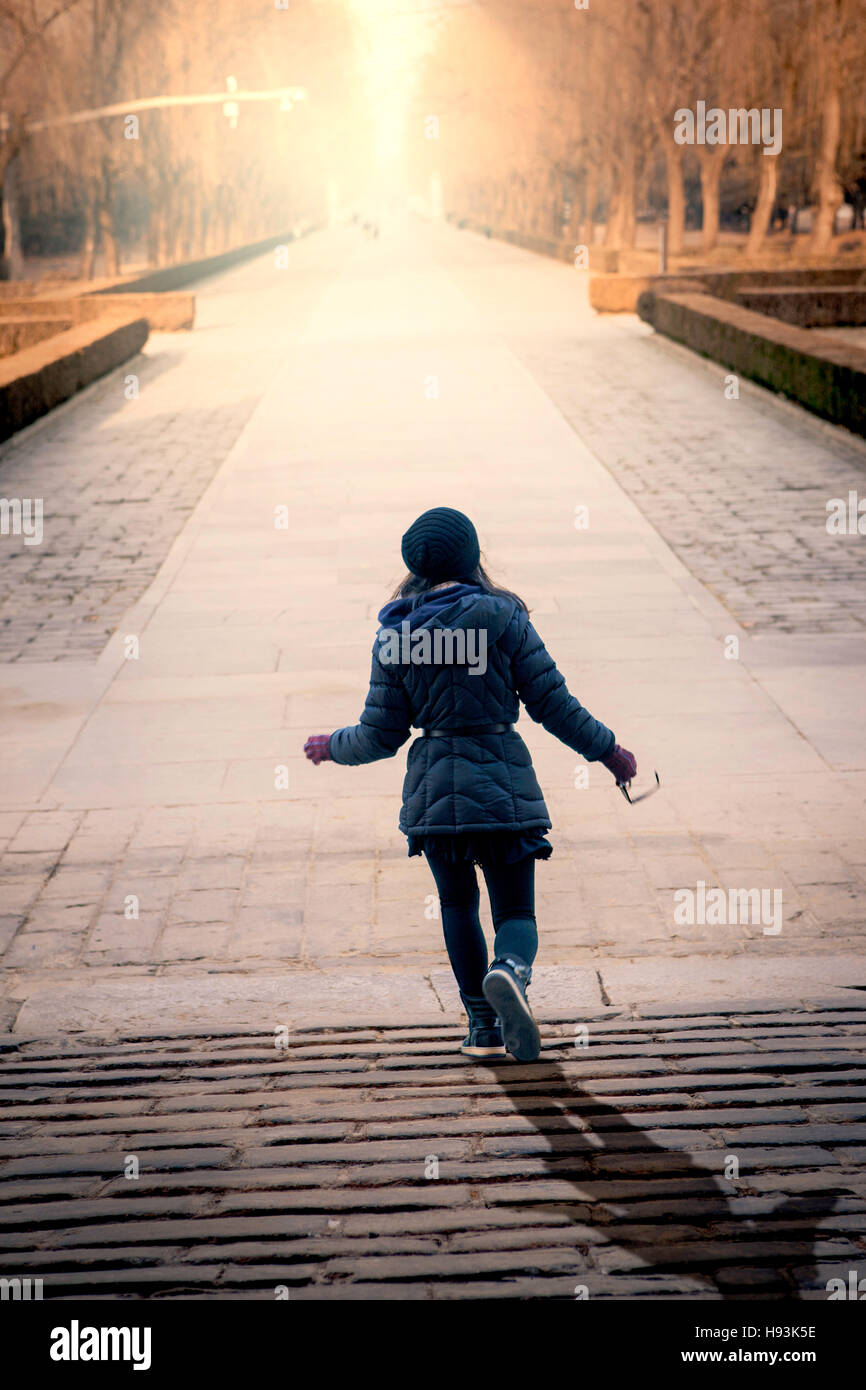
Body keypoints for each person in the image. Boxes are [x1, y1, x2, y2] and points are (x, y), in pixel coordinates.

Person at [303, 507, 636, 1063]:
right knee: (516, 915)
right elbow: (554, 705)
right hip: (503, 779)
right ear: (473, 557)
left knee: (457, 906)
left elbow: (380, 736)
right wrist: (609, 751)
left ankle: (482, 1027)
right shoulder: (504, 617)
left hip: (434, 791)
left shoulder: (395, 634)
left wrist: (330, 746)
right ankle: (509, 972)